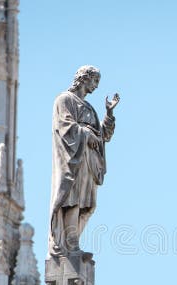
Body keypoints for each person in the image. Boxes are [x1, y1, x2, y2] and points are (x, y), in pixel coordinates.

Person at [49, 65, 120, 254]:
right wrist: (86, 134)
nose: (96, 86)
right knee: (72, 199)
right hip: (74, 158)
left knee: (86, 204)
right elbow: (65, 126)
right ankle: (69, 244)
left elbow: (103, 136)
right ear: (84, 78)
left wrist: (109, 114)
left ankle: (73, 243)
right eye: (95, 80)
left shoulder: (89, 108)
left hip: (89, 160)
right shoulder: (65, 99)